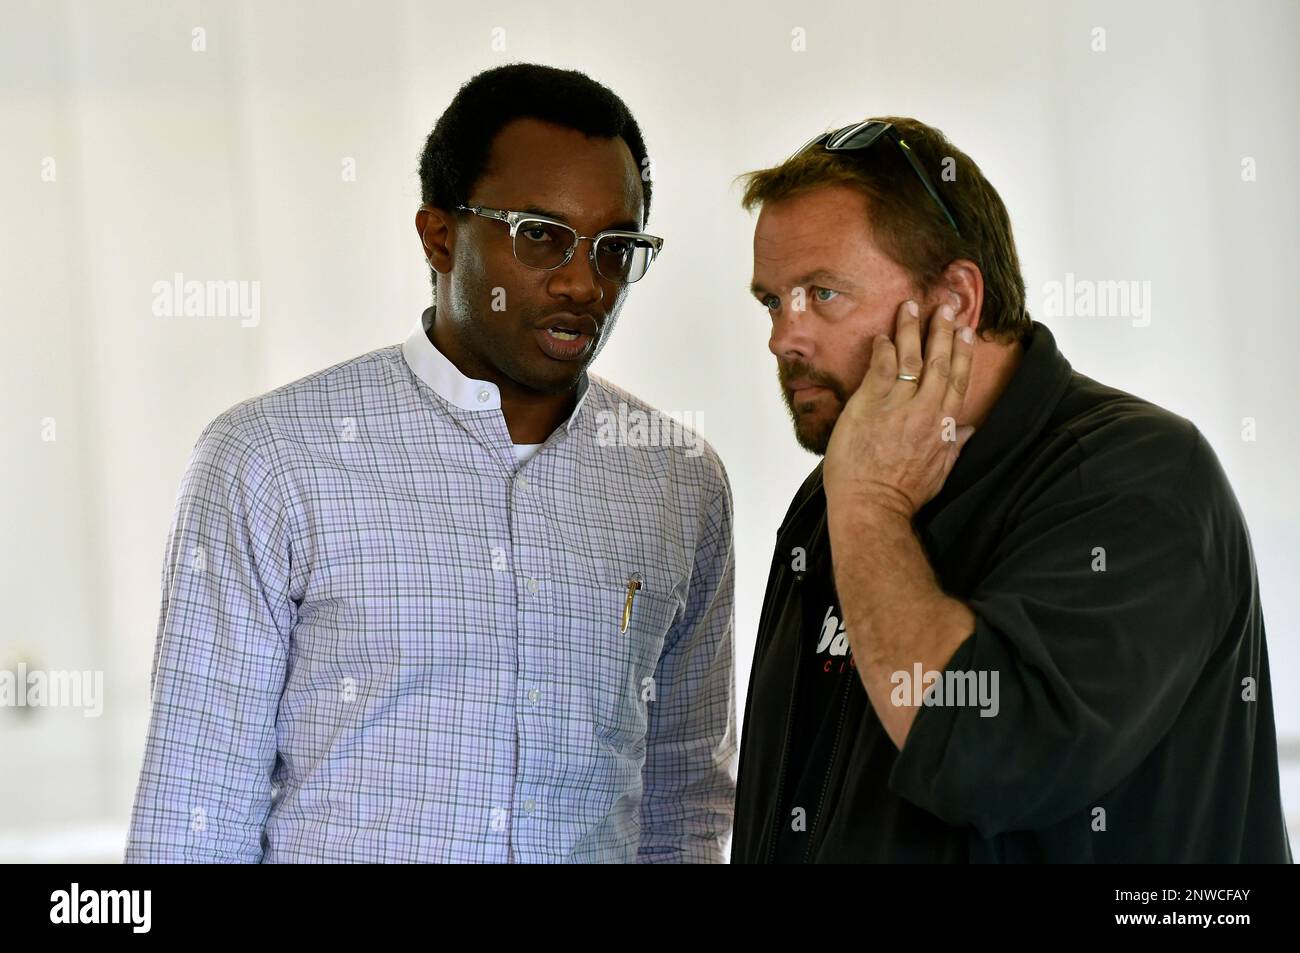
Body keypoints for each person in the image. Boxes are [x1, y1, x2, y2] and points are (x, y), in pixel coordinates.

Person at [125, 63, 736, 863]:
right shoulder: (273, 461)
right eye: (540, 235)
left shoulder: (678, 483)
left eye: (617, 247)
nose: (586, 282)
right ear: (439, 235)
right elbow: (192, 816)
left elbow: (684, 802)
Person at [730, 116, 1292, 863]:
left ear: (957, 298)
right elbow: (782, 805)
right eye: (772, 300)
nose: (782, 338)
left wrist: (870, 507)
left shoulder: (1140, 477)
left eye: (822, 293)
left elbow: (982, 752)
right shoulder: (827, 497)